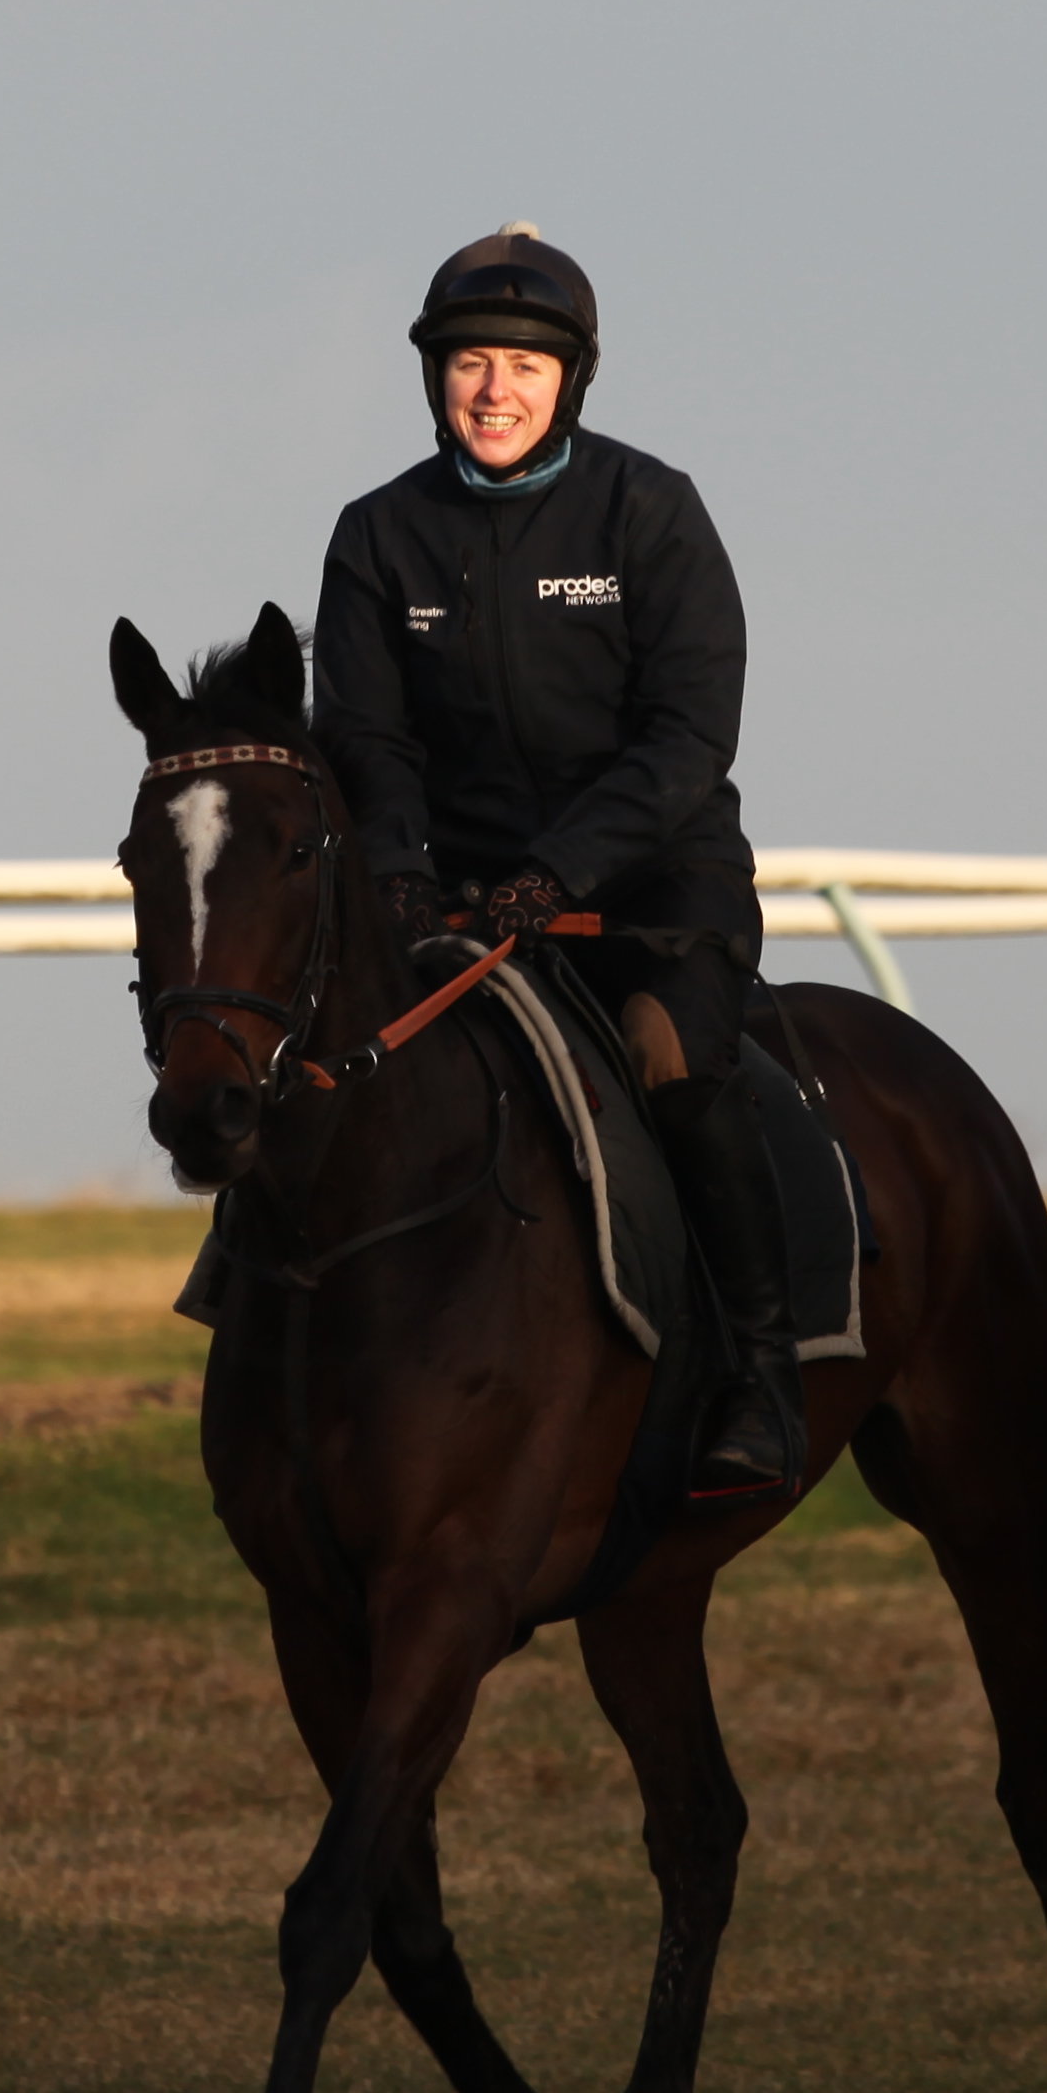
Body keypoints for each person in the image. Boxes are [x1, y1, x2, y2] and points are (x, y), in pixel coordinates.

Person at [312, 225, 800, 1498]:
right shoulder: (374, 537)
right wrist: (405, 869)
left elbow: (689, 739)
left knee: (675, 1067)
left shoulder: (653, 510)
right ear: (435, 378)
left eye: (524, 367)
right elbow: (365, 737)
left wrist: (561, 872)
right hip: (454, 900)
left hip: (653, 891)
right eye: (470, 362)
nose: (494, 391)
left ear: (573, 380)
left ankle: (760, 1375)